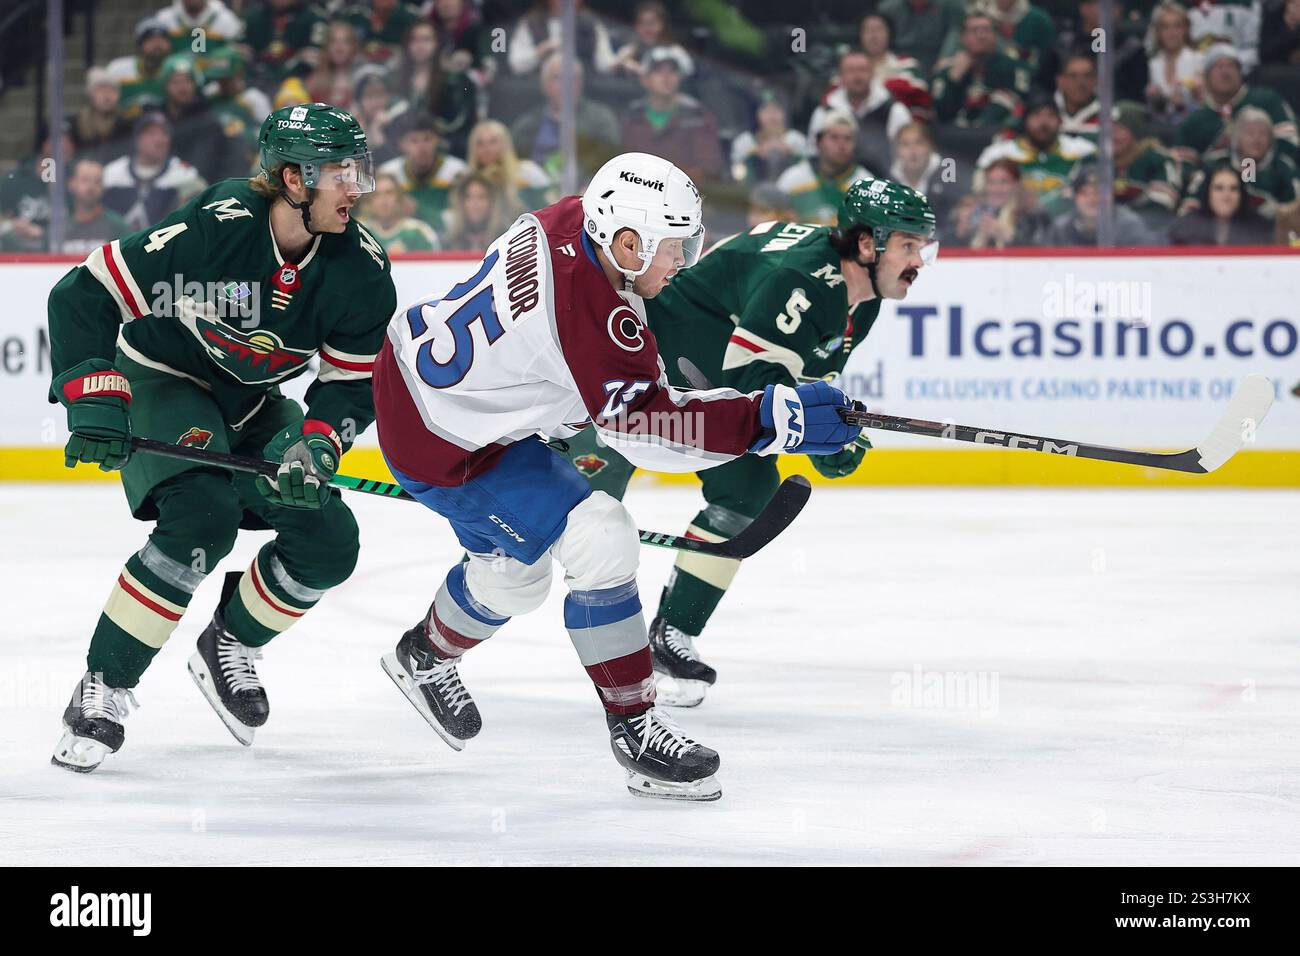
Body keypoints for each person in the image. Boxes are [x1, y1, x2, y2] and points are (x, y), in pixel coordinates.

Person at [371, 153, 864, 800]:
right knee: (602, 539)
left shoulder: (570, 218)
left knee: (518, 579)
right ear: (627, 242)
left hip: (430, 378)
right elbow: (641, 428)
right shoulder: (592, 311)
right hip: (449, 440)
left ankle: (424, 655)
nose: (684, 262)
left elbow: (600, 370)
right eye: (673, 248)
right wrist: (771, 419)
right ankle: (634, 729)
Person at [48, 104, 396, 773]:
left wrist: (320, 444)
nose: (356, 188)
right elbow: (82, 295)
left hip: (253, 401)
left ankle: (229, 640)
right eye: (341, 173)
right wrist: (92, 390)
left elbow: (350, 384)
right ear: (294, 179)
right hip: (165, 376)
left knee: (328, 538)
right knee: (201, 516)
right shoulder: (218, 227)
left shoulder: (360, 269)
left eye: (360, 171)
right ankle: (105, 686)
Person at [557, 177, 936, 710]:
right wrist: (816, 439)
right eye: (908, 245)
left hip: (700, 377)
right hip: (650, 367)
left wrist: (832, 430)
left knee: (747, 488)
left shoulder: (862, 298)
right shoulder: (804, 280)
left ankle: (671, 634)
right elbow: (754, 372)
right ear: (867, 244)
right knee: (566, 506)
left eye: (922, 246)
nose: (918, 259)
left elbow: (803, 380)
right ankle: (472, 589)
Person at [1174, 45, 1300, 166]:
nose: (1225, 72)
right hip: (1218, 183)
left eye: (1231, 65)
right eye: (1218, 67)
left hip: (1266, 180)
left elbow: (1289, 141)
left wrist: (1266, 172)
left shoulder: (1266, 100)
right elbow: (1182, 163)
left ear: (1241, 72)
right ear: (1206, 77)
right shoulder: (1195, 121)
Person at [976, 92, 1096, 215]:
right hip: (1013, 222)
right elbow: (978, 194)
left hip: (1065, 224)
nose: (1044, 123)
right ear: (1025, 120)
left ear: (1060, 121)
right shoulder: (999, 153)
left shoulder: (1083, 151)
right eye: (1036, 115)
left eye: (1051, 116)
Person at [620, 46, 724, 184]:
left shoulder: (698, 116)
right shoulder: (632, 116)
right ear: (644, 79)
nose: (666, 77)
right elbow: (621, 163)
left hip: (683, 196)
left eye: (672, 71)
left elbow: (709, 168)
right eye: (658, 71)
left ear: (680, 78)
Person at [511, 54, 620, 178]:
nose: (566, 85)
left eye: (573, 78)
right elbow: (513, 164)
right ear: (544, 85)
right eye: (558, 78)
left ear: (581, 84)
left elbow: (611, 163)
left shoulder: (601, 120)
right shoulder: (527, 125)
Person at [1181, 106, 1300, 218]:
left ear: (1271, 139)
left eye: (1262, 134)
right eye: (1250, 133)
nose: (1256, 139)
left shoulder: (1284, 168)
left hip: (1268, 233)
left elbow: (1295, 212)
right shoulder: (1215, 163)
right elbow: (1190, 206)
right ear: (1236, 137)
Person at [809, 49, 912, 177]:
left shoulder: (894, 111)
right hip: (834, 189)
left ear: (873, 73)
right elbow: (814, 156)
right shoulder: (824, 112)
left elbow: (905, 160)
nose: (857, 76)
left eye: (862, 70)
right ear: (840, 76)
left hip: (884, 187)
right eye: (851, 71)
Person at [101, 111, 206, 231]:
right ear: (137, 139)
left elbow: (200, 216)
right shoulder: (112, 173)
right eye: (151, 134)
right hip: (117, 245)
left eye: (164, 134)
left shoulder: (184, 174)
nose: (159, 140)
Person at [931, 11, 1031, 129]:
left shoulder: (1014, 68)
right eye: (974, 30)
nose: (981, 35)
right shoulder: (946, 72)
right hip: (951, 137)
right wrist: (953, 79)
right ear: (962, 38)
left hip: (996, 135)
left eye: (986, 30)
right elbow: (940, 114)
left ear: (996, 36)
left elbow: (1017, 104)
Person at [776, 109, 872, 225]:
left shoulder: (865, 186)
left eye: (847, 139)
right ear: (818, 142)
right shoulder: (792, 180)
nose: (841, 145)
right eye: (834, 137)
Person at [377, 111, 467, 228]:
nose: (421, 147)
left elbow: (458, 222)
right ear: (402, 144)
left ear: (437, 140)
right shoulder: (388, 173)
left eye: (427, 139)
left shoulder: (457, 172)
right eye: (414, 140)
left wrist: (418, 210)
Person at [1041, 162, 1154, 246]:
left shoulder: (1129, 226)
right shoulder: (1061, 228)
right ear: (1074, 197)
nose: (1093, 199)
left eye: (1099, 192)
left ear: (1112, 196)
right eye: (1085, 193)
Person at [948, 158, 1049, 249]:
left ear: (1016, 184)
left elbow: (1045, 250)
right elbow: (944, 245)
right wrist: (961, 234)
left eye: (1004, 182)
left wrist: (1009, 237)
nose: (996, 189)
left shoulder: (1033, 216)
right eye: (991, 182)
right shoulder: (976, 212)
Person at [1171, 159, 1277, 244]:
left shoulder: (1261, 229)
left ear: (1241, 194)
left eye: (1233, 189)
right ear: (1208, 192)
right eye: (1219, 188)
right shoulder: (1184, 227)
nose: (1226, 195)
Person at [464, 119, 555, 214]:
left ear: (505, 144)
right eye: (480, 143)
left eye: (493, 142)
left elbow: (552, 206)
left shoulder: (528, 172)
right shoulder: (467, 181)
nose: (486, 148)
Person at [890, 121, 963, 226]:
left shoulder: (949, 178)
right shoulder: (888, 180)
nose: (912, 151)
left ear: (930, 147)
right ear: (896, 150)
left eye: (919, 143)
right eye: (905, 144)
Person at [730, 91, 807, 185]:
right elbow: (736, 176)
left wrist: (790, 153)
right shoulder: (745, 141)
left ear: (784, 114)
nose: (772, 116)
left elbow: (807, 173)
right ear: (757, 115)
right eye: (766, 111)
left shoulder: (796, 140)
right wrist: (755, 153)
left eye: (776, 110)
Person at [57, 158, 130, 256]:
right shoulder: (58, 225)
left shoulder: (117, 226)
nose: (91, 187)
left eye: (97, 181)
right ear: (71, 183)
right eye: (85, 180)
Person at [105, 18, 175, 119]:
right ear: (139, 45)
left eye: (162, 40)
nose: (157, 45)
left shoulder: (176, 71)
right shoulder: (117, 70)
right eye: (151, 40)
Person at [1145, 1, 1203, 122]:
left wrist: (1198, 93)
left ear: (1186, 29)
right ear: (1158, 32)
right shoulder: (1154, 64)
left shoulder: (1198, 60)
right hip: (1161, 124)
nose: (1172, 33)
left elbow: (1207, 103)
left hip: (1191, 121)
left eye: (1177, 26)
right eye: (1165, 27)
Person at [358, 172, 441, 251]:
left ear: (399, 197)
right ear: (369, 200)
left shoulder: (419, 232)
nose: (383, 200)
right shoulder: (359, 233)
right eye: (377, 194)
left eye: (389, 193)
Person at [613, 1, 695, 78]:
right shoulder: (626, 51)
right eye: (643, 23)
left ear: (662, 25)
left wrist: (639, 70)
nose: (647, 28)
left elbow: (685, 77)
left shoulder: (675, 52)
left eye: (652, 22)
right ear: (636, 26)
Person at [70, 68, 134, 164]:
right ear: (90, 94)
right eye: (101, 90)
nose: (107, 95)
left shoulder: (127, 125)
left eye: (112, 90)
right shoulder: (75, 125)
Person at [440, 172, 514, 250]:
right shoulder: (449, 240)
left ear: (492, 202)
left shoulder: (506, 238)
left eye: (481, 197)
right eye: (469, 197)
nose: (475, 204)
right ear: (461, 202)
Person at [1055, 55, 1101, 142]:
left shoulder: (1111, 116)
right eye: (1073, 76)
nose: (1080, 83)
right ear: (1060, 81)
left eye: (1087, 76)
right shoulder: (1044, 113)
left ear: (1096, 80)